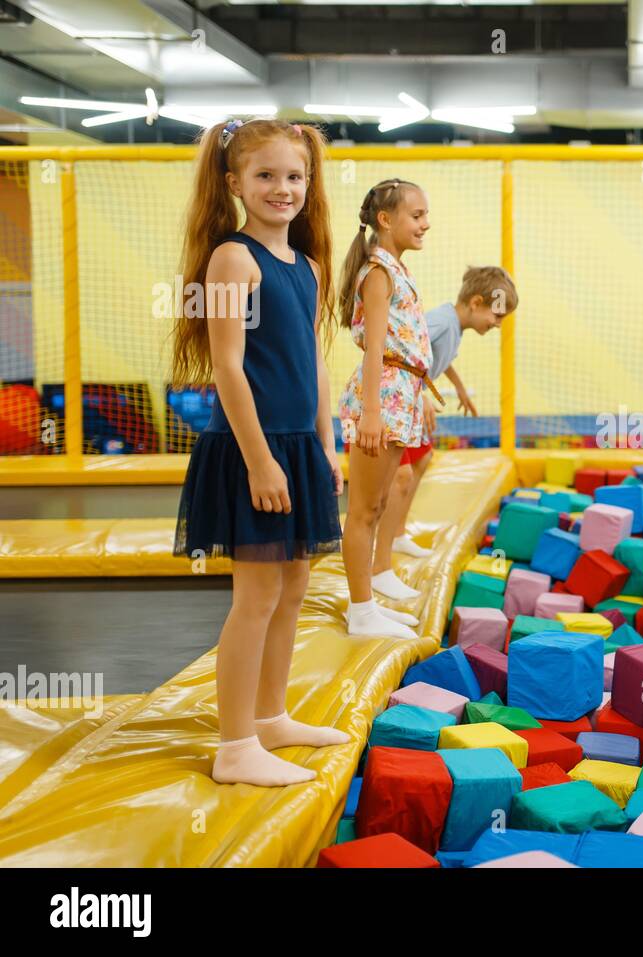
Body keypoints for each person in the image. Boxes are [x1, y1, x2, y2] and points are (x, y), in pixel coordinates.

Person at [171, 118, 348, 787]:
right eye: (266, 175)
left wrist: (326, 444)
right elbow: (228, 367)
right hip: (252, 445)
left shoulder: (306, 263)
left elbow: (316, 362)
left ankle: (271, 715)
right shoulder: (231, 258)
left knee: (294, 585)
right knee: (257, 593)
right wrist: (260, 460)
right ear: (234, 182)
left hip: (298, 444)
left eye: (295, 176)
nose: (283, 188)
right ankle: (235, 743)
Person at [337, 179, 437, 640]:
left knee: (376, 504)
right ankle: (361, 612)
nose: (425, 223)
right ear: (386, 220)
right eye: (416, 216)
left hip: (402, 393)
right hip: (384, 394)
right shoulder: (378, 271)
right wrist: (371, 412)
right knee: (361, 509)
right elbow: (375, 347)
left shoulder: (395, 268)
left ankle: (372, 591)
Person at [374, 267, 518, 566]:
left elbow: (442, 358)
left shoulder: (455, 326)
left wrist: (460, 388)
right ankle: (381, 545)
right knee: (400, 474)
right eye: (497, 316)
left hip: (410, 397)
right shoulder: (441, 321)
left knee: (423, 459)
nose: (498, 324)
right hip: (397, 398)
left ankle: (397, 533)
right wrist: (422, 394)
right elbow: (405, 350)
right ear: (476, 303)